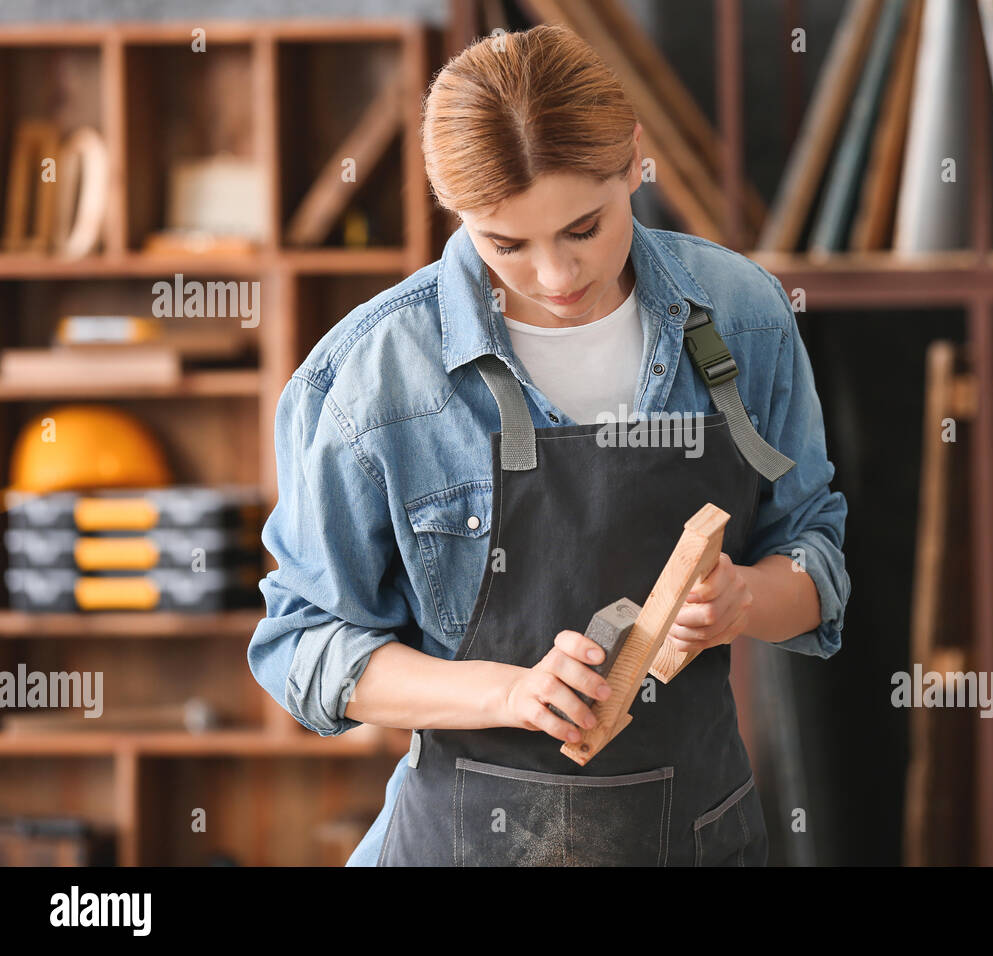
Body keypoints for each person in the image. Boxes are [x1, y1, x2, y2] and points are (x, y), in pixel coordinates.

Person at [248, 22, 849, 867]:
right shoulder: (371, 376)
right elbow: (302, 647)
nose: (557, 277)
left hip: (697, 839)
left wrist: (747, 597)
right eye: (506, 244)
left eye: (584, 228)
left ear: (634, 161)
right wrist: (512, 691)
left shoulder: (742, 316)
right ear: (454, 211)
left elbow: (818, 557)